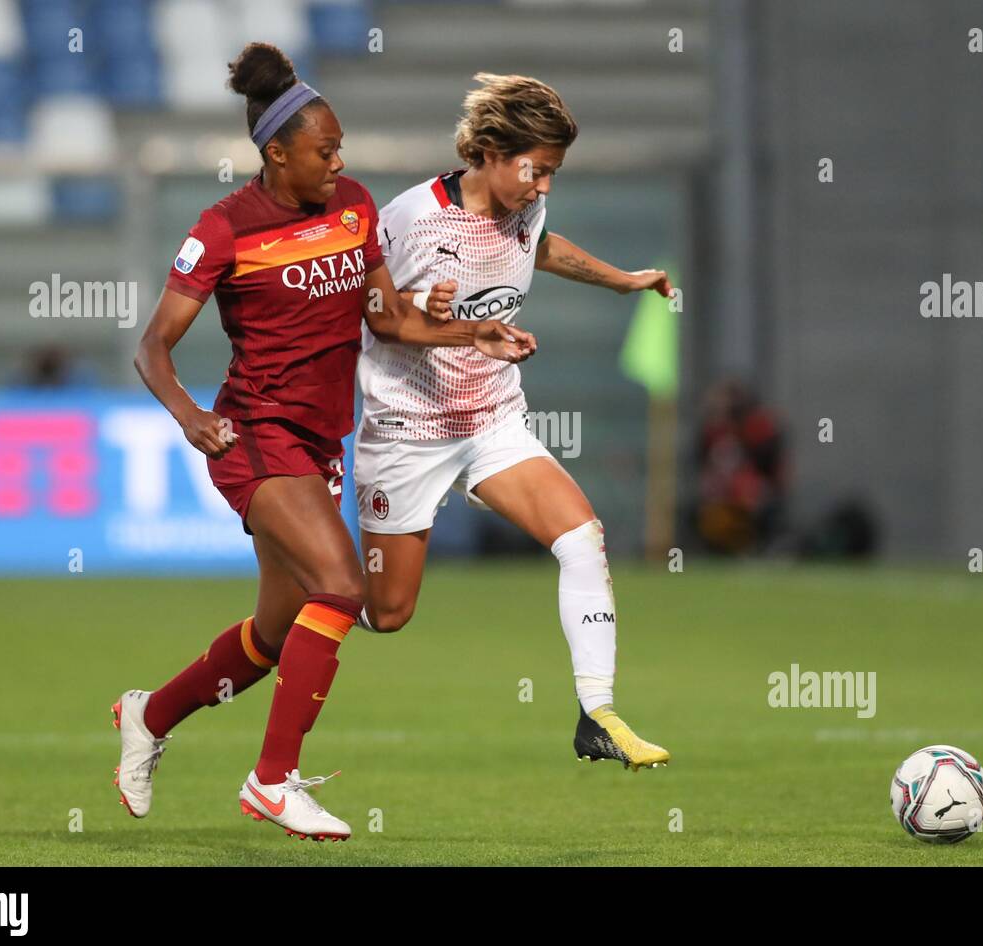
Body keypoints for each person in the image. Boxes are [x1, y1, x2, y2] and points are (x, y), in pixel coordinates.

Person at [112, 45, 536, 842]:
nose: (339, 163)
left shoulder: (354, 208)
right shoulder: (224, 228)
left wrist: (469, 330)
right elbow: (152, 347)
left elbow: (388, 320)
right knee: (342, 589)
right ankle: (272, 782)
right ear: (277, 153)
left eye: (340, 149)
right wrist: (188, 416)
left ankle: (149, 714)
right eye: (324, 150)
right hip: (254, 434)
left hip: (321, 442)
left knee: (274, 635)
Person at [353, 73, 671, 770]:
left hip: (491, 421)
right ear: (491, 151)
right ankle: (303, 584)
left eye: (554, 172)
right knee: (387, 612)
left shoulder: (523, 208)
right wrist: (442, 322)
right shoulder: (410, 219)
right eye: (538, 170)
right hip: (408, 429)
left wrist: (623, 279)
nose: (544, 187)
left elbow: (542, 246)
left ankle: (597, 713)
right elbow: (374, 315)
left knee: (581, 537)